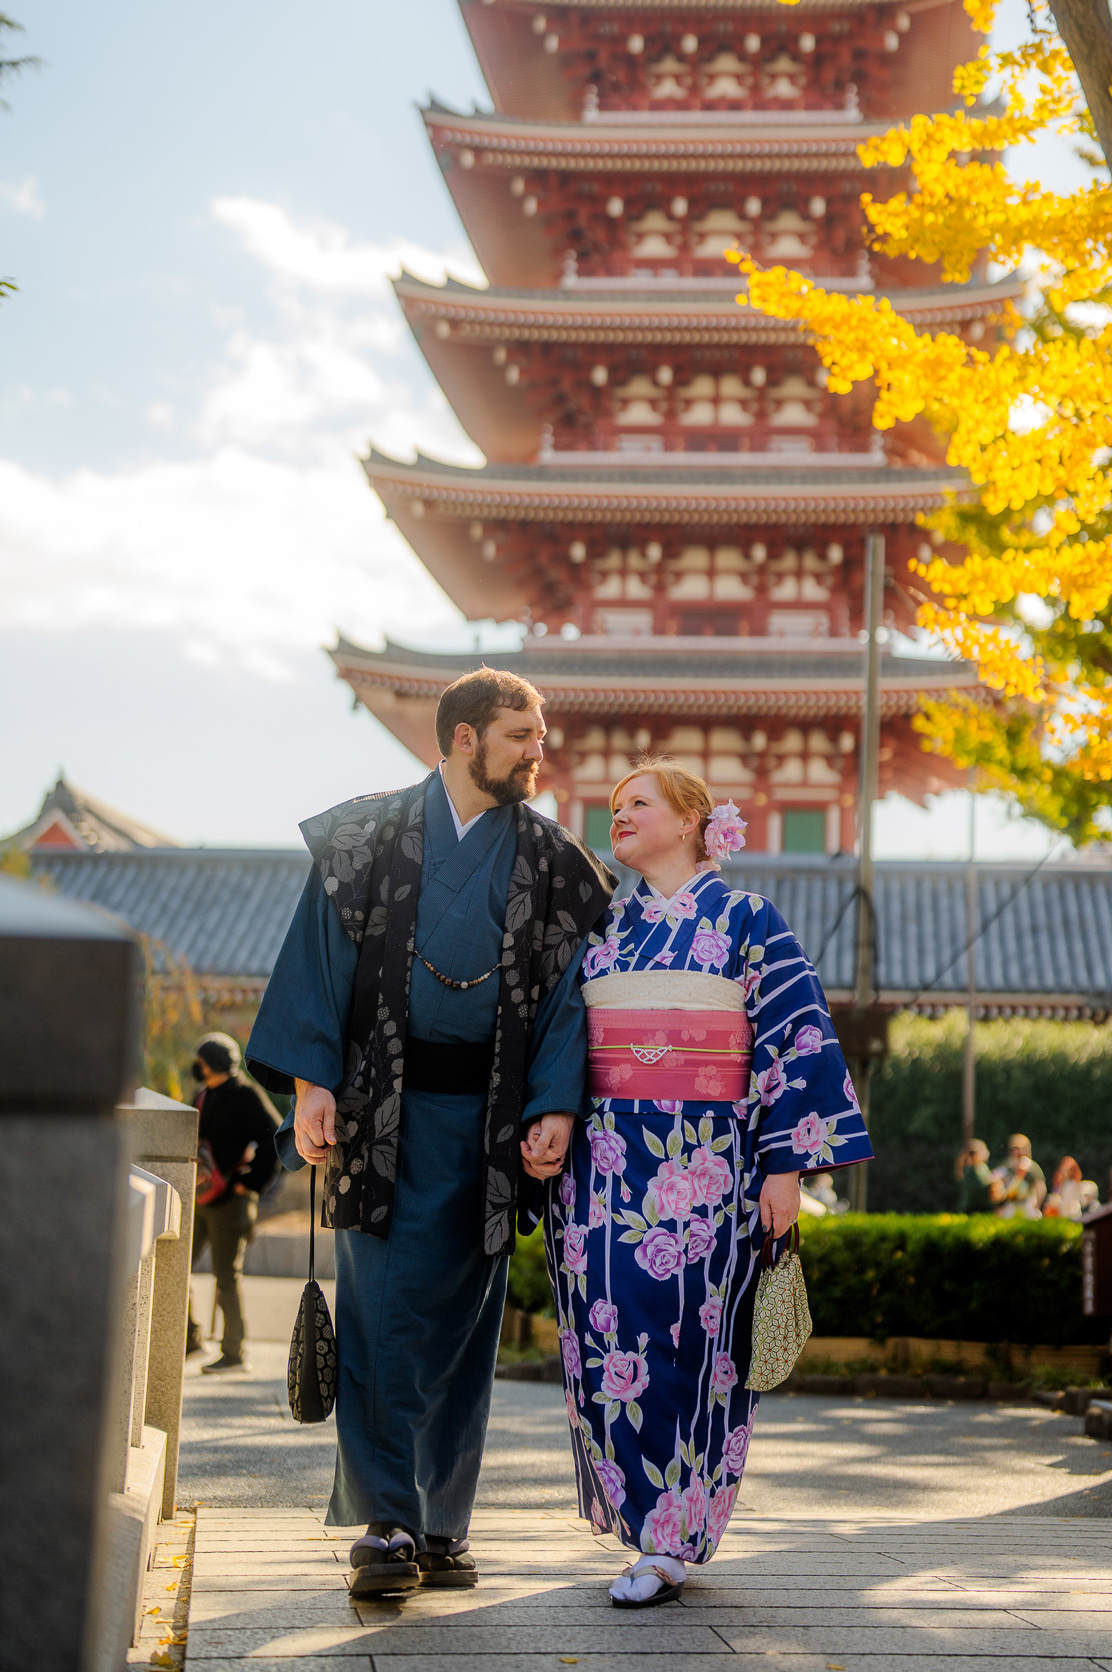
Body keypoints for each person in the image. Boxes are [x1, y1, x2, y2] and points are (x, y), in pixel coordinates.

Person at [245, 668, 615, 1598]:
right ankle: (385, 1522)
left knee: (463, 1320)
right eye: (520, 734)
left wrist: (556, 1104)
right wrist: (311, 1080)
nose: (540, 750)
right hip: (382, 1111)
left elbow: (571, 999)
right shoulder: (364, 836)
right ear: (460, 738)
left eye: (539, 734)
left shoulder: (554, 859)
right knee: (381, 1315)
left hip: (489, 1123)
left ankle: (441, 1524)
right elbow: (320, 962)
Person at [547, 758, 872, 1609]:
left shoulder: (747, 920)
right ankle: (639, 1525)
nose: (618, 815)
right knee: (608, 1337)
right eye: (612, 806)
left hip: (708, 1162)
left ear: (693, 819)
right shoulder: (603, 930)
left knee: (695, 1346)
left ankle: (671, 1536)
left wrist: (784, 1166)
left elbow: (792, 1040)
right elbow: (560, 1044)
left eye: (638, 803)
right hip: (603, 1164)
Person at [185, 1033, 279, 1370]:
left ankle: (234, 1353)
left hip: (231, 1203)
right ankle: (190, 1339)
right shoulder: (203, 1095)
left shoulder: (245, 1096)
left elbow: (274, 1139)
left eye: (201, 1062)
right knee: (177, 1266)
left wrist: (248, 1182)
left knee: (226, 1276)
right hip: (201, 1198)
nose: (197, 1068)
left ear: (209, 1064)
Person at [991, 1134, 1046, 1218]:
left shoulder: (1032, 1167)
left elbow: (1040, 1187)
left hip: (1027, 1202)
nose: (1018, 1152)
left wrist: (1037, 1205)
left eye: (1021, 1148)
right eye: (1015, 1148)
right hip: (1010, 1203)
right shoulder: (1006, 1165)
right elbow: (994, 1180)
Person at [955, 1138, 994, 1214]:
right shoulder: (972, 1170)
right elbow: (979, 1188)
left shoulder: (982, 1167)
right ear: (976, 1154)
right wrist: (993, 1182)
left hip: (984, 1207)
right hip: (975, 1209)